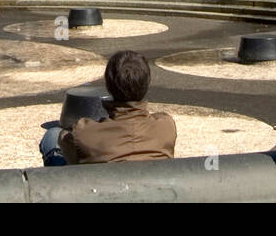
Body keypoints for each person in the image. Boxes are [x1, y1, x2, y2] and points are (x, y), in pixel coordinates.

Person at [41, 51, 176, 165]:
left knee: (52, 135)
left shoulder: (84, 133)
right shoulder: (166, 126)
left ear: (108, 85)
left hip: (100, 193)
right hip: (155, 191)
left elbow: (66, 145)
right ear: (148, 83)